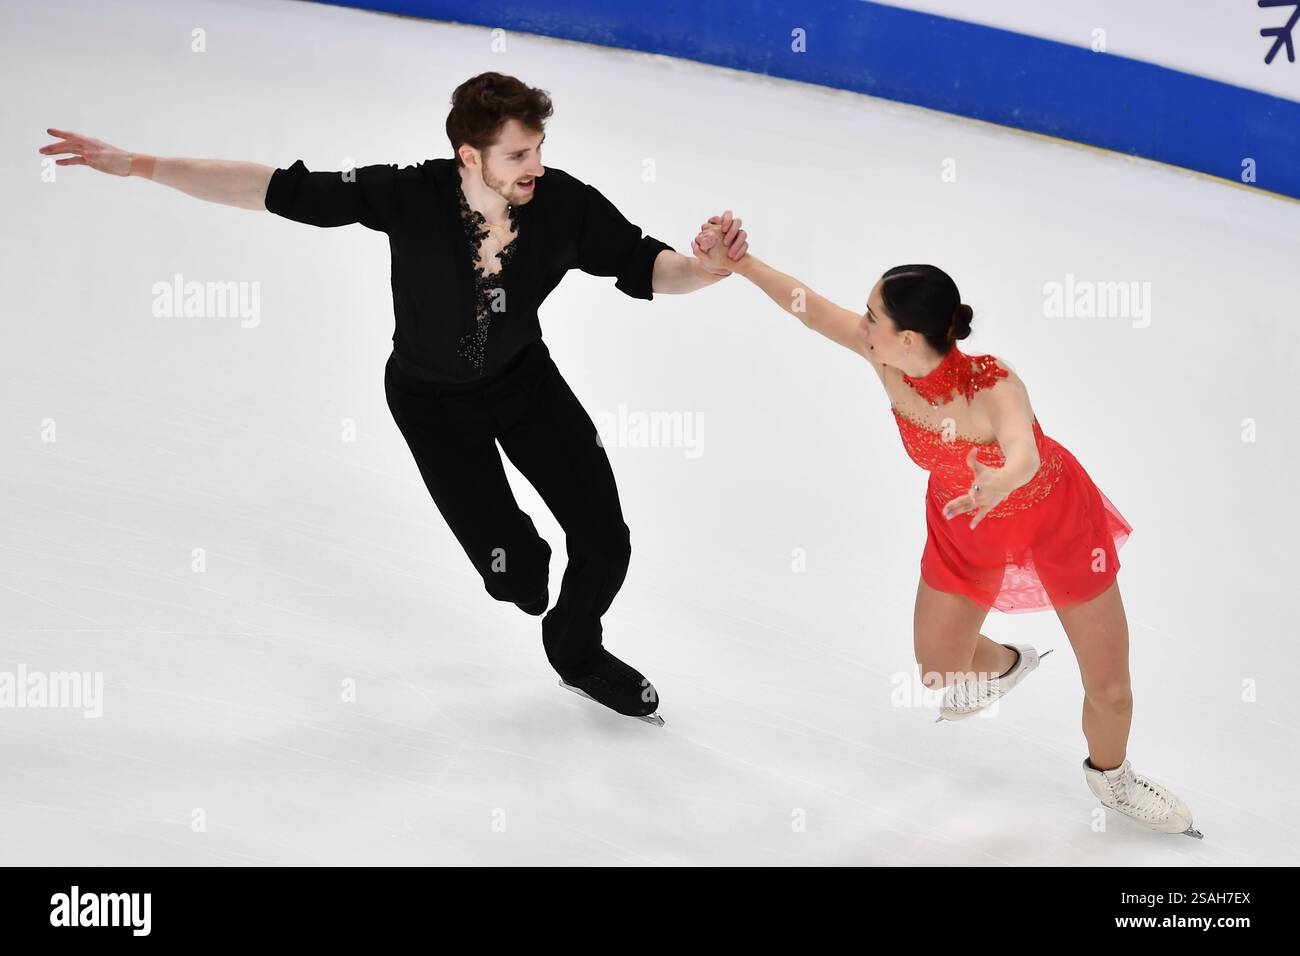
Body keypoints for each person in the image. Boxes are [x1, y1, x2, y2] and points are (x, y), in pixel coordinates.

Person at [37, 72, 748, 725]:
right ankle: (527, 577)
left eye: (538, 149)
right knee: (520, 578)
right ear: (469, 156)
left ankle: (575, 648)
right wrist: (140, 165)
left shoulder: (563, 204)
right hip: (433, 406)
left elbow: (648, 268)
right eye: (518, 155)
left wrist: (706, 269)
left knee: (607, 543)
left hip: (526, 385)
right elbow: (272, 189)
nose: (536, 167)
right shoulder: (408, 195)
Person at [691, 216, 1202, 838]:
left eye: (872, 315)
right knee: (941, 675)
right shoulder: (886, 360)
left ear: (909, 338)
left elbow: (1025, 453)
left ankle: (1113, 777)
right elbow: (808, 307)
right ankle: (1008, 662)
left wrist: (1000, 481)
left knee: (1112, 689)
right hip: (964, 524)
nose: (861, 323)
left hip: (1055, 520)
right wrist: (741, 264)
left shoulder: (992, 382)